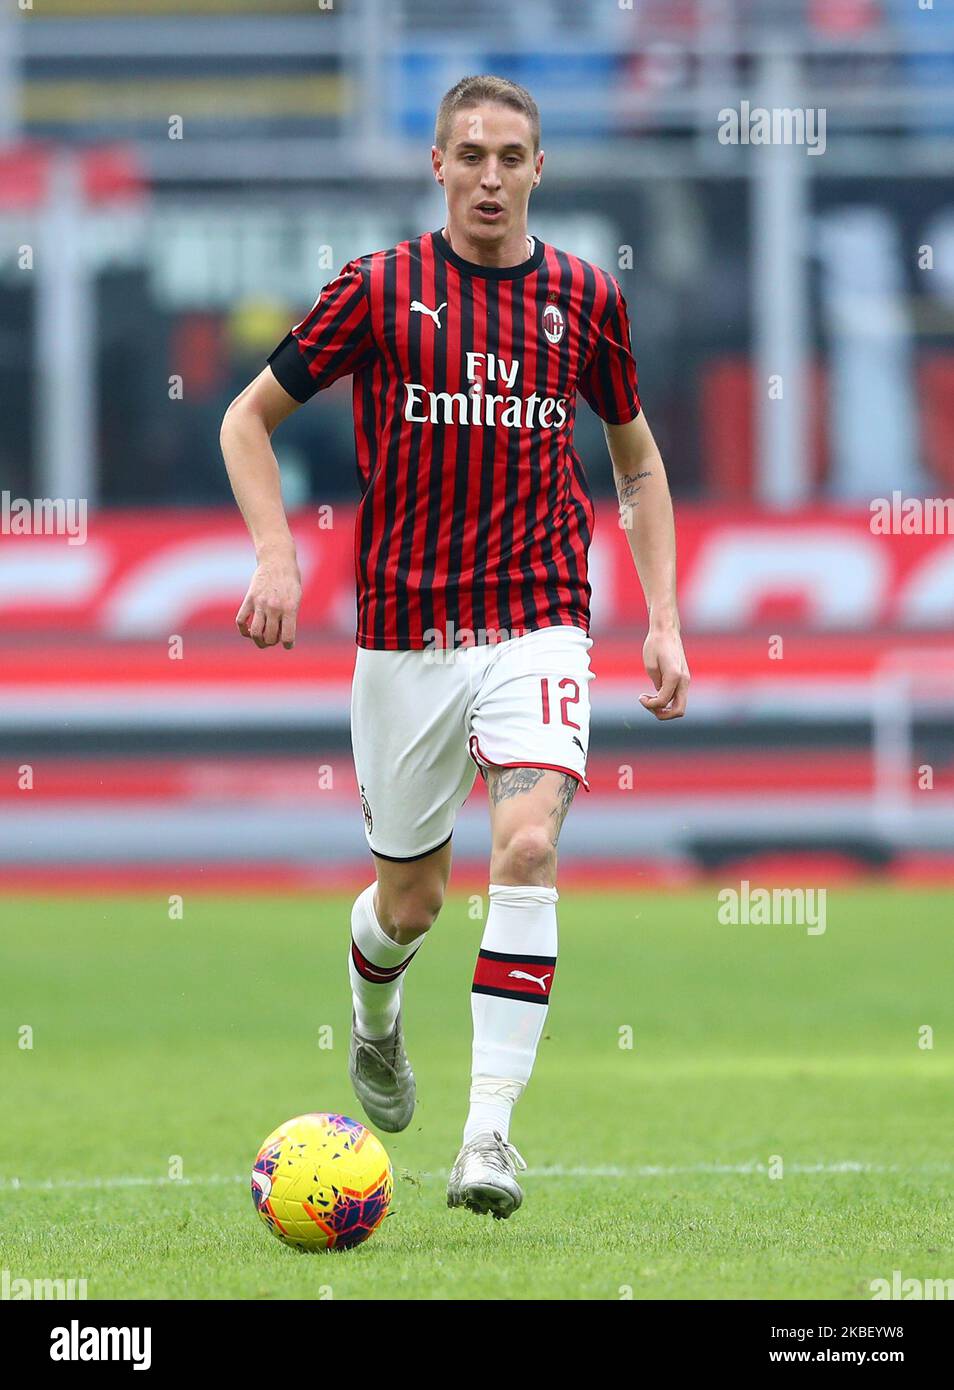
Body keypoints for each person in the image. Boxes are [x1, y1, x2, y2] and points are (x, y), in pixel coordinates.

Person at [220, 74, 689, 1220]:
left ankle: (488, 1137)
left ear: (541, 170)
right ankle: (375, 1022)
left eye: (511, 155)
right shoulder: (377, 291)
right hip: (405, 636)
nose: (490, 175)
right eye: (469, 153)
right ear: (437, 165)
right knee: (413, 904)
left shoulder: (584, 299)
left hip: (537, 621)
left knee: (527, 845)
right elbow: (246, 418)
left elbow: (634, 459)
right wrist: (277, 556)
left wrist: (663, 615)